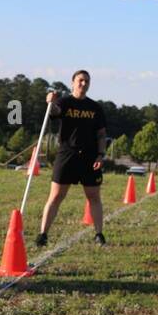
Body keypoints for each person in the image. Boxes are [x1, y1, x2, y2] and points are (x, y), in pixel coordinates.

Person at [36, 70, 109, 247]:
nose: (83, 84)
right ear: (73, 82)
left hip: (90, 157)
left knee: (94, 196)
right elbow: (54, 112)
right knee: (56, 196)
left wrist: (100, 155)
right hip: (67, 155)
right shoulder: (65, 102)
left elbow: (101, 134)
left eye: (87, 81)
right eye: (80, 80)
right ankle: (43, 234)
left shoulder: (95, 108)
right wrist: (50, 102)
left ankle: (99, 234)